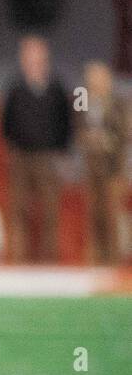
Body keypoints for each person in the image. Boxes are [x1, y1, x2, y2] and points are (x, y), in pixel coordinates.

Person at [0, 35, 72, 264]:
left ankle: (49, 260)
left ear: (45, 57)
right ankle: (19, 260)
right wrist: (10, 146)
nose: (32, 60)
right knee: (18, 209)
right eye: (28, 55)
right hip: (20, 155)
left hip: (48, 156)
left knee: (50, 210)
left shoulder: (57, 87)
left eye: (36, 55)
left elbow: (67, 120)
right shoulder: (14, 87)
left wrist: (62, 149)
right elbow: (5, 120)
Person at [76, 60, 128, 264]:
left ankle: (114, 260)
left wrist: (104, 140)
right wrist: (87, 138)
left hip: (113, 168)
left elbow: (124, 132)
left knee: (112, 215)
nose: (94, 81)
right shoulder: (82, 99)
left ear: (107, 79)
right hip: (91, 168)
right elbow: (77, 126)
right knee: (93, 215)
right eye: (90, 78)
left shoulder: (119, 101)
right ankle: (95, 260)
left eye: (98, 77)